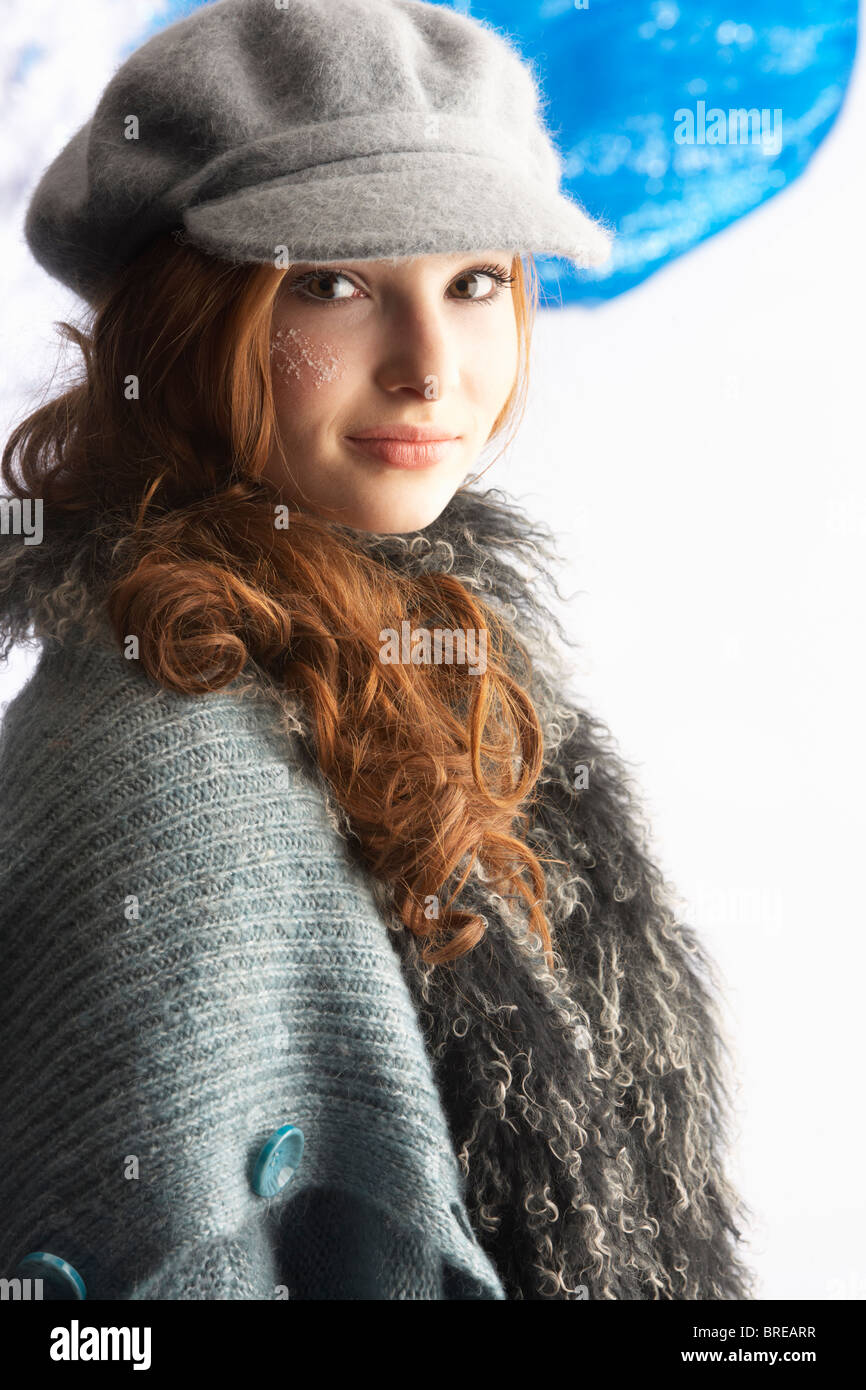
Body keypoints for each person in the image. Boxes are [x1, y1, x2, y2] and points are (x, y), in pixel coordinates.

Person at [0, 0, 755, 1300]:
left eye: (473, 281)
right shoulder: (168, 787)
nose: (430, 367)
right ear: (185, 324)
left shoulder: (425, 654)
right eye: (335, 283)